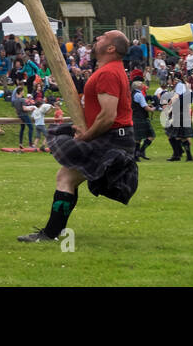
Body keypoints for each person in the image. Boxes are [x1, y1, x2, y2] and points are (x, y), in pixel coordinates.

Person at [18, 31, 138, 243]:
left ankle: (51, 233)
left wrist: (86, 137)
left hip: (111, 136)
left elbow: (108, 116)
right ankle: (54, 231)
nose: (97, 39)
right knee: (66, 178)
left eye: (103, 37)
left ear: (111, 48)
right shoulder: (108, 70)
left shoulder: (108, 73)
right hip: (112, 135)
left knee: (65, 178)